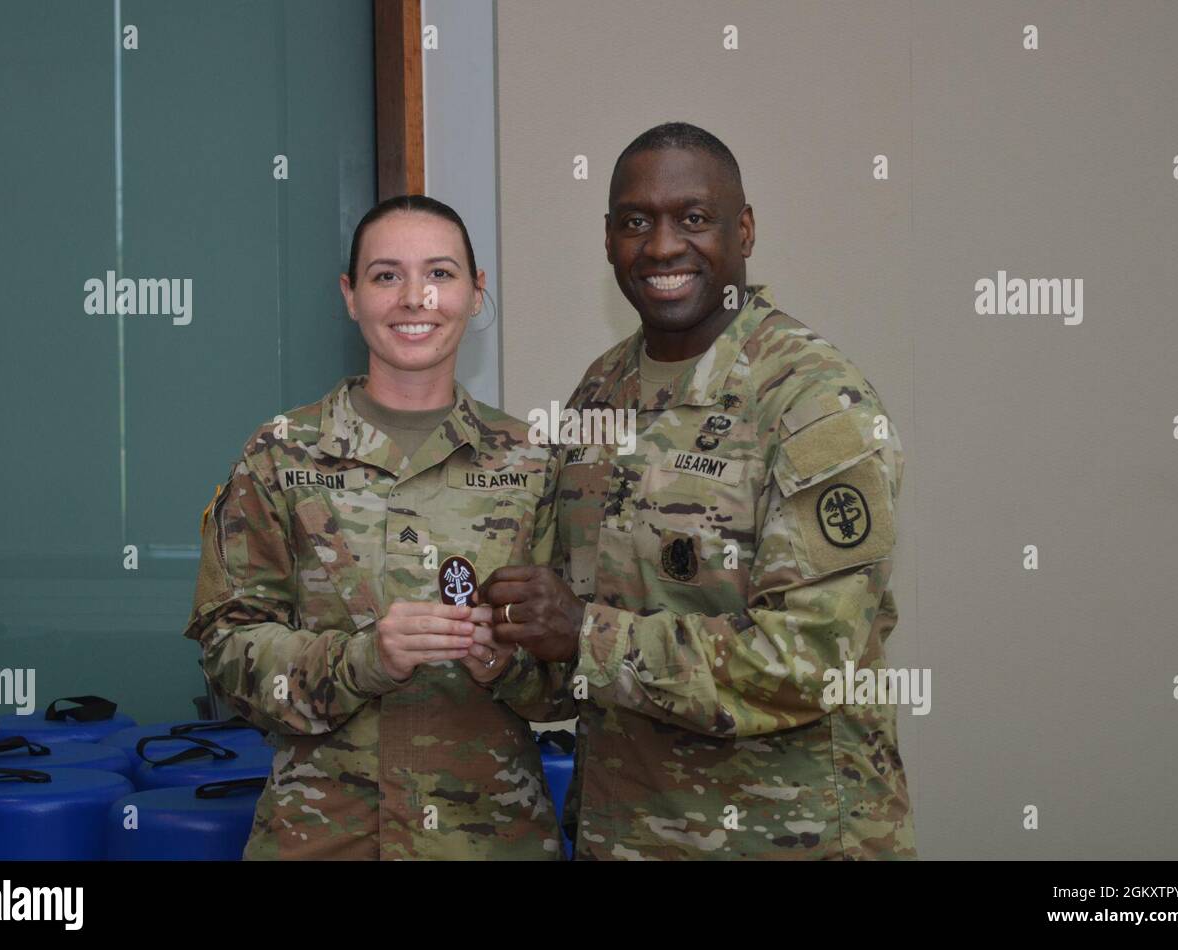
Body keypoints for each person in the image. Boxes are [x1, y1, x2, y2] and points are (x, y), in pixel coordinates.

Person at [482, 122, 917, 860]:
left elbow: (808, 659)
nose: (660, 247)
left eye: (693, 218)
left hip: (785, 838)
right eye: (635, 222)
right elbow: (574, 648)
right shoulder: (599, 391)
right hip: (624, 834)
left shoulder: (812, 401)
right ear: (608, 239)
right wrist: (500, 651)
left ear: (742, 231)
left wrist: (583, 634)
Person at [183, 194, 562, 860]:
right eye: (386, 275)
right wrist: (364, 660)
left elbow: (577, 668)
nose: (415, 298)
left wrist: (500, 660)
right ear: (350, 295)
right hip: (322, 836)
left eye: (440, 274)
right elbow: (227, 651)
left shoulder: (533, 463)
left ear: (476, 294)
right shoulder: (281, 454)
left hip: (489, 839)